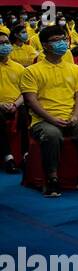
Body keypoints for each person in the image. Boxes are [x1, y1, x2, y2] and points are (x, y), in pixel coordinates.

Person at [19, 26, 78, 196]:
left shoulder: (74, 69)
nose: (62, 43)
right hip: (44, 119)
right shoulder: (32, 71)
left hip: (72, 117)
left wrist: (76, 116)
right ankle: (52, 179)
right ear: (45, 45)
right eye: (56, 40)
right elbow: (31, 101)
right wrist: (52, 119)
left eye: (63, 39)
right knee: (52, 134)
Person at [0, 29, 26, 173]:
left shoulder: (19, 68)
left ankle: (25, 155)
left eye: (6, 43)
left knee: (25, 114)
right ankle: (8, 157)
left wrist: (16, 104)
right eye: (0, 43)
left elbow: (25, 92)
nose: (4, 45)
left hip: (17, 104)